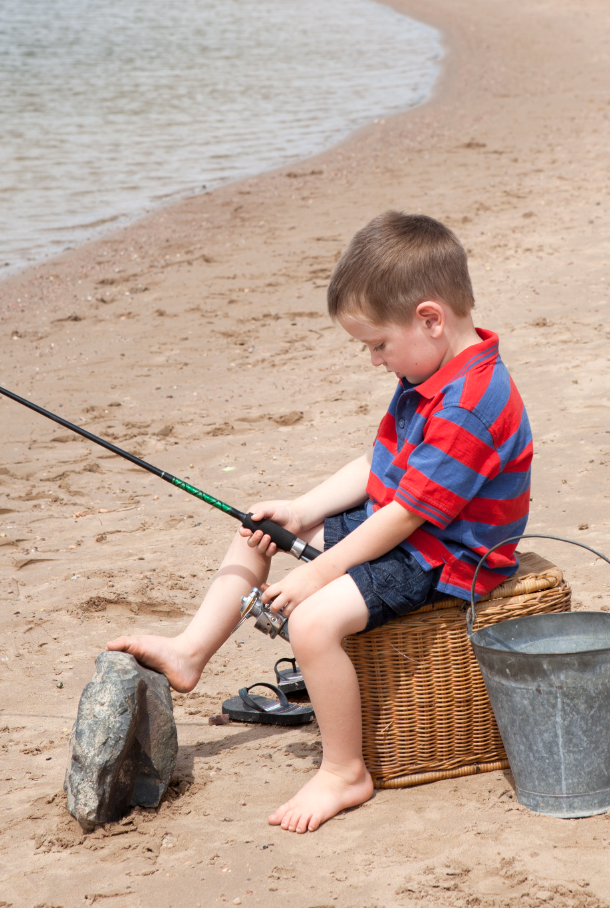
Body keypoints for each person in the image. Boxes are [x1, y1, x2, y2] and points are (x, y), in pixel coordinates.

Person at [107, 211, 532, 834]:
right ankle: (190, 650)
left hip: (448, 557)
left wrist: (318, 576)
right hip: (411, 530)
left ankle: (345, 771)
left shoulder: (472, 402)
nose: (373, 360)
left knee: (311, 622)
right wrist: (304, 509)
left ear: (431, 319)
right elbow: (380, 466)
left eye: (377, 344)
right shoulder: (431, 371)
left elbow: (406, 517)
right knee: (258, 529)